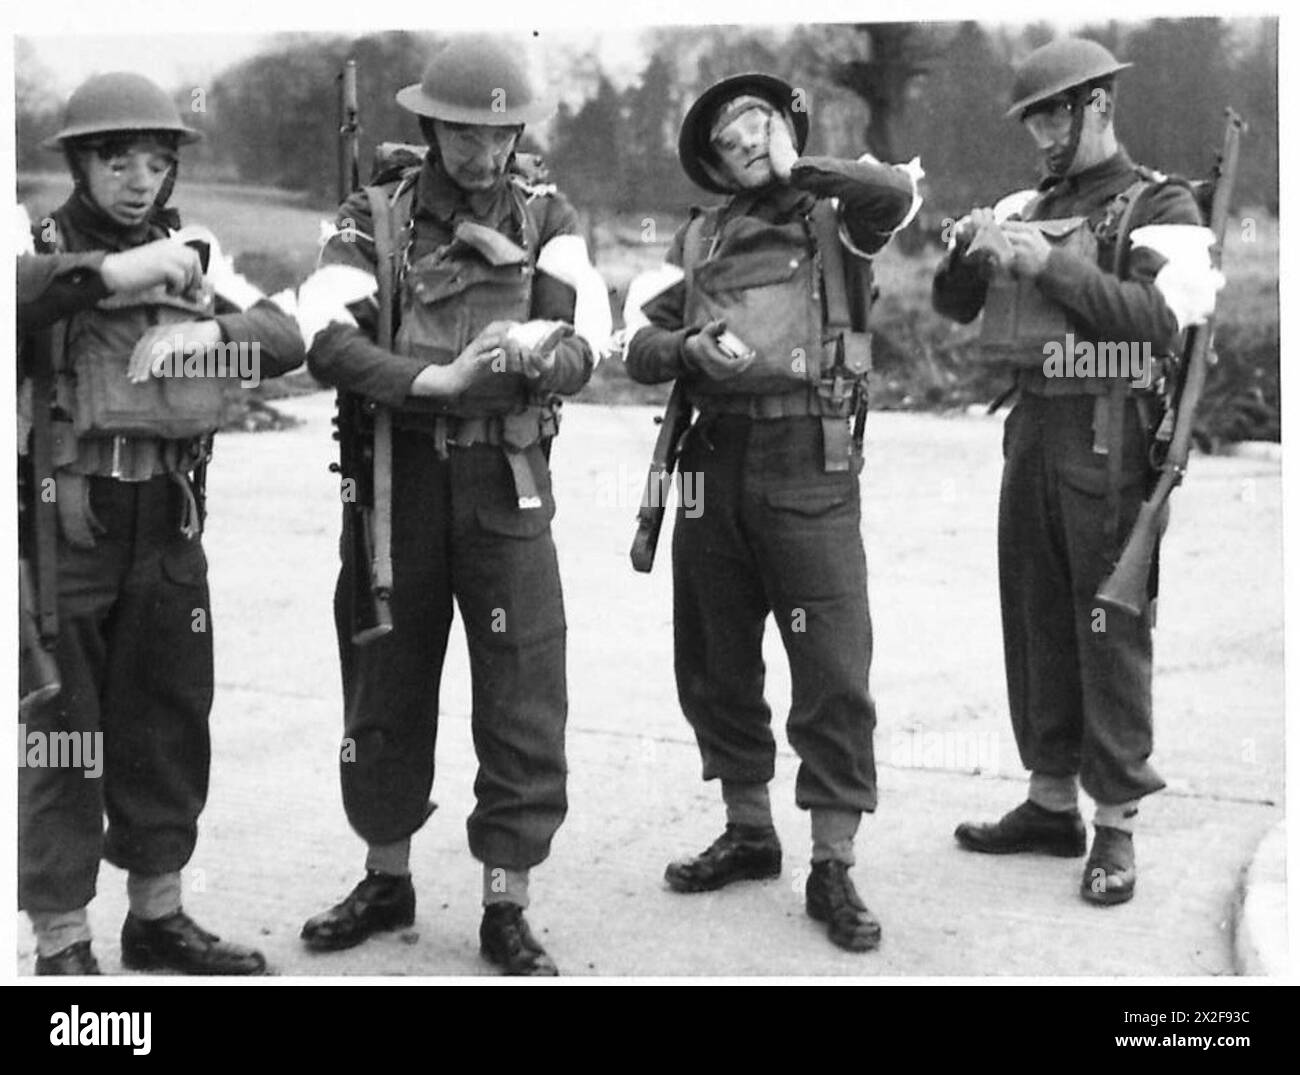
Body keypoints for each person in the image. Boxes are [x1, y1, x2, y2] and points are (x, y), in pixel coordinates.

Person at [300, 34, 603, 976]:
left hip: (506, 485)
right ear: (432, 126)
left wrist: (536, 354)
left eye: (504, 133)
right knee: (383, 682)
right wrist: (434, 379)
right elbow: (326, 341)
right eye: (469, 134)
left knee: (522, 688)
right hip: (394, 483)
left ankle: (505, 898)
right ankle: (384, 874)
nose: (487, 154)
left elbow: (584, 339)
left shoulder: (549, 214)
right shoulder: (368, 217)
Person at [623, 74, 921, 951]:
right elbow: (634, 345)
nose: (745, 140)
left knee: (830, 663)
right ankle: (749, 829)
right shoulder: (700, 236)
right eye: (728, 136)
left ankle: (833, 862)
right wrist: (685, 349)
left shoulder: (841, 215)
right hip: (712, 460)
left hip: (811, 459)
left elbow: (898, 192)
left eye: (756, 122)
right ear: (713, 163)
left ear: (785, 129)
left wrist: (809, 167)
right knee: (715, 654)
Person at [17, 71, 306, 974]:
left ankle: (159, 914)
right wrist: (103, 273)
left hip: (171, 523)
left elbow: (288, 338)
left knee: (168, 720)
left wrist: (208, 333)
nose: (141, 180)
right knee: (65, 729)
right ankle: (63, 938)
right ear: (79, 161)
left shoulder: (190, 252)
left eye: (156, 160)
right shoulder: (33, 244)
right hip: (69, 525)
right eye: (117, 159)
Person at [933, 38, 1214, 905]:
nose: (1043, 134)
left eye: (1057, 112)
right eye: (1034, 119)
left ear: (1100, 105)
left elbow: (1158, 325)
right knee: (1037, 616)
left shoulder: (1160, 204)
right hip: (1033, 430)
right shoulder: (1028, 200)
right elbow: (953, 306)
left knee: (1108, 629)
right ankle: (1051, 802)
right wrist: (967, 254)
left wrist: (1045, 260)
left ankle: (1117, 825)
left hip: (1110, 436)